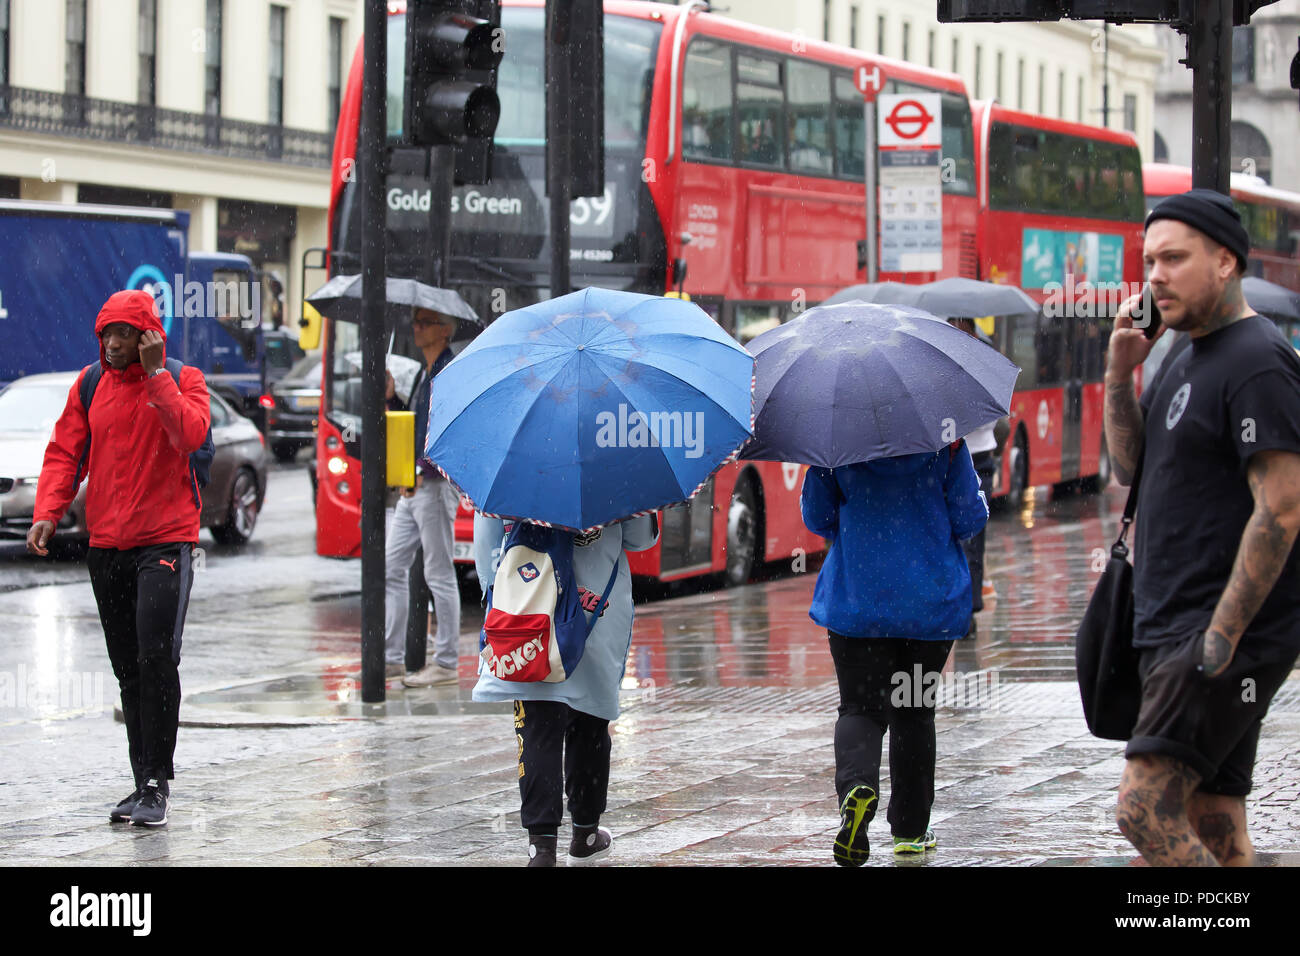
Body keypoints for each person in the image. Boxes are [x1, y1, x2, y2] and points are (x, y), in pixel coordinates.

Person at [1105, 189, 1300, 867]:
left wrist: (1221, 637)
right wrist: (1118, 377)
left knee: (1144, 809)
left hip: (1215, 633)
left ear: (1225, 261)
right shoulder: (1182, 354)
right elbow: (1130, 466)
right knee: (1213, 818)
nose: (1155, 274)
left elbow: (1282, 506)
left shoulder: (1258, 360)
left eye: (1174, 258)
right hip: (1172, 623)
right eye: (1149, 259)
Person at [27, 289, 211, 827]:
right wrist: (49, 510)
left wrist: (156, 378)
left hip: (166, 542)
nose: (112, 343)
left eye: (124, 333)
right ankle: (140, 783)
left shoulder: (183, 379)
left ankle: (157, 783)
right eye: (106, 332)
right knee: (128, 668)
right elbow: (65, 452)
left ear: (148, 336)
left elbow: (190, 434)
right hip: (107, 546)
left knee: (158, 658)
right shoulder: (88, 385)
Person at [801, 445, 988, 866]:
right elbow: (970, 519)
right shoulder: (946, 441)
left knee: (860, 709)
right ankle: (909, 829)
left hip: (858, 602)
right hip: (928, 606)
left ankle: (856, 789)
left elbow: (817, 518)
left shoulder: (835, 443)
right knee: (914, 710)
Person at [472, 512, 658, 866]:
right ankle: (585, 834)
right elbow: (640, 538)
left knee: (536, 725)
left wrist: (495, 594)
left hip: (530, 609)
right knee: (589, 722)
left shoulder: (511, 462)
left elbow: (486, 541)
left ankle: (541, 848)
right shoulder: (616, 460)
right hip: (595, 611)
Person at [384, 307, 463, 686]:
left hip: (431, 488)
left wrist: (419, 470)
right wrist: (393, 400)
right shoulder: (423, 372)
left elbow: (446, 434)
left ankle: (446, 662)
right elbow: (416, 428)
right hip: (413, 486)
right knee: (391, 566)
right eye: (414, 321)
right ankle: (391, 657)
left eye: (425, 322)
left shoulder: (448, 373)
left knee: (438, 572)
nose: (416, 327)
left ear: (445, 330)